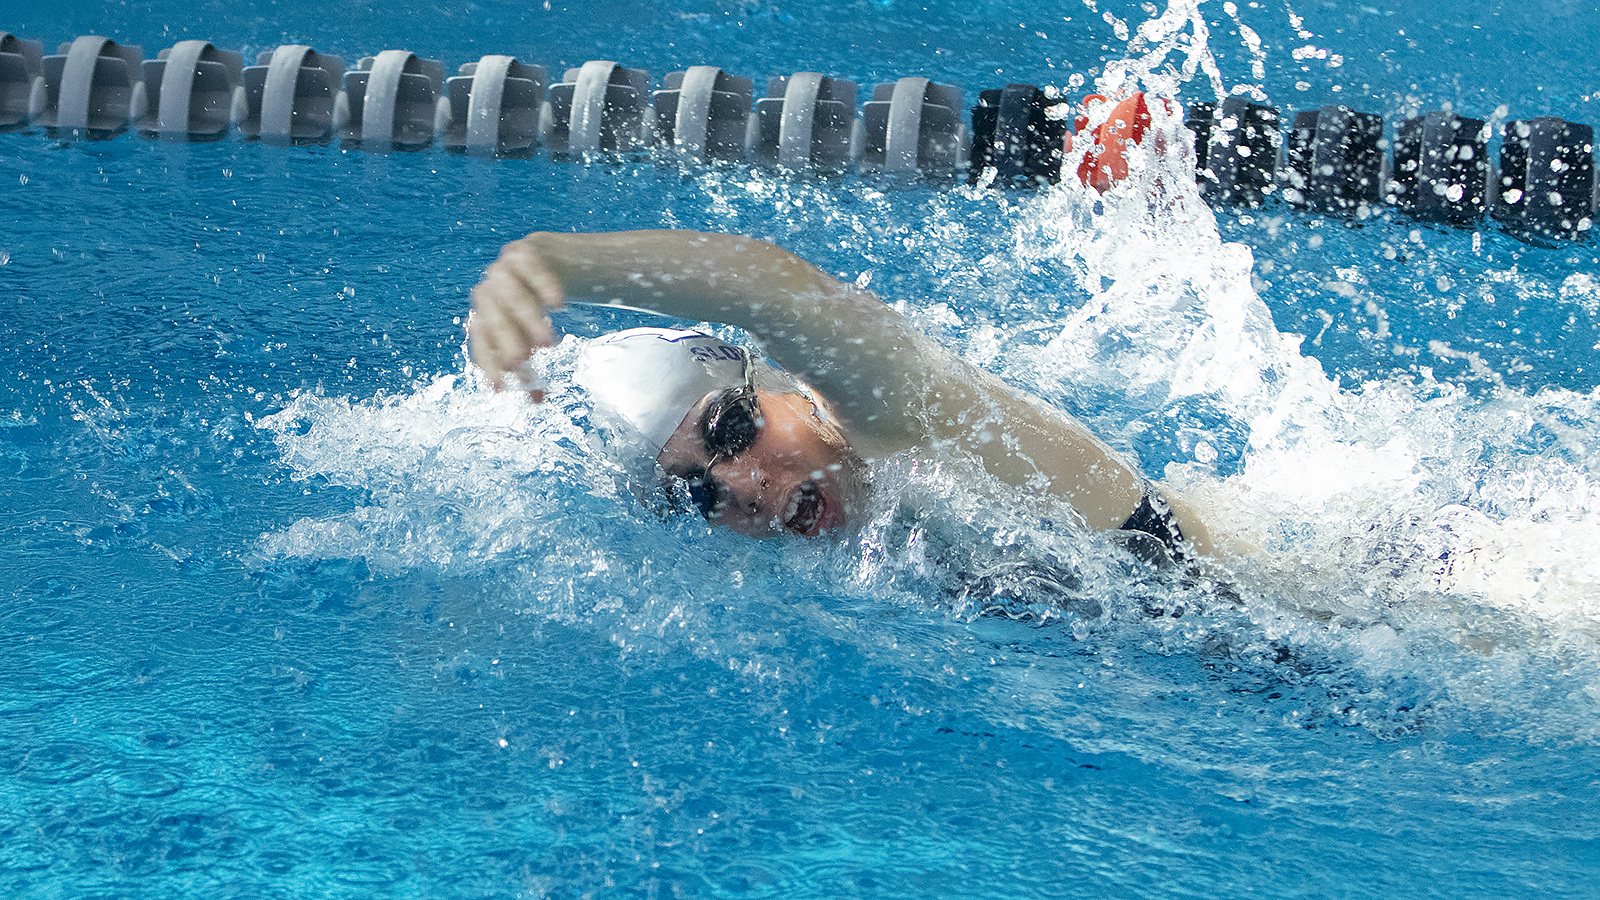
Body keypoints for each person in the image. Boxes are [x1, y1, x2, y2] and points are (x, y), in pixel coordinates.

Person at [467, 227, 1217, 558]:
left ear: (776, 386)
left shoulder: (895, 418)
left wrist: (554, 265)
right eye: (695, 494)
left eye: (730, 430)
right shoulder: (872, 556)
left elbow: (773, 291)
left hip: (1281, 598)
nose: (739, 485)